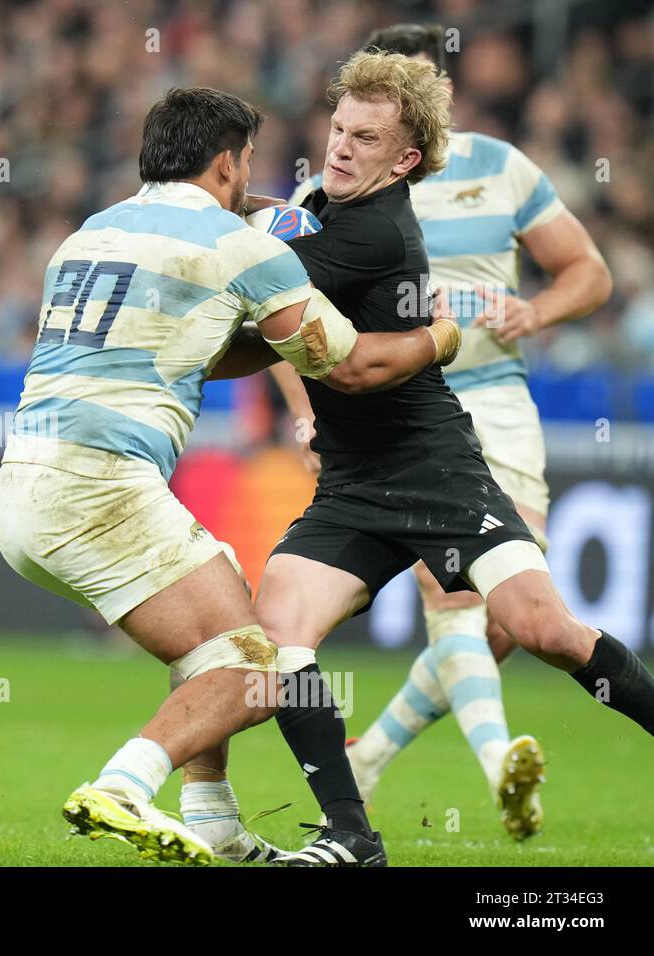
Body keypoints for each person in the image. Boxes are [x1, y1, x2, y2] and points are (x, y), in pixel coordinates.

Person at [0, 85, 461, 865]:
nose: (249, 175)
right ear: (225, 161)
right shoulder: (238, 247)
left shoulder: (87, 234)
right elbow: (345, 365)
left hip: (21, 486)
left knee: (218, 630)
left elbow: (194, 330)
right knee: (258, 668)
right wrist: (441, 335)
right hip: (100, 487)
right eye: (245, 161)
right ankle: (122, 785)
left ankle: (211, 816)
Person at [281, 23, 614, 841]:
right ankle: (494, 756)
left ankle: (371, 758)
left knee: (517, 625)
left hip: (491, 399)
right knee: (452, 597)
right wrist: (302, 410)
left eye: (421, 88)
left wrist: (533, 309)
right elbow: (279, 313)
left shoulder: (501, 168)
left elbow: (591, 272)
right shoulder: (328, 195)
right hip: (385, 425)